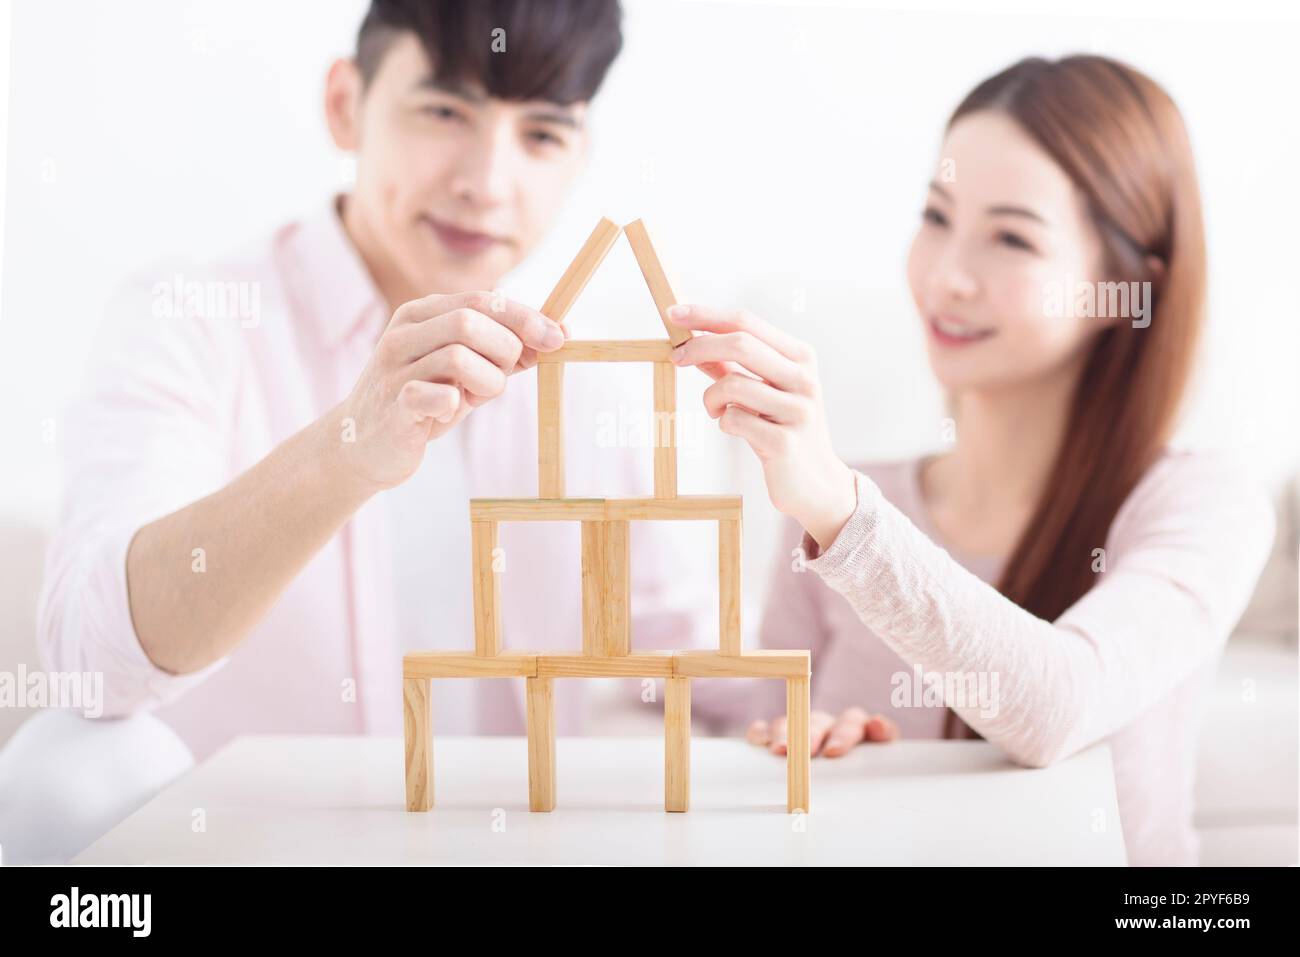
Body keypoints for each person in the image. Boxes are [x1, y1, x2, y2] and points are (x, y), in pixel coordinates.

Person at [12, 0, 716, 862]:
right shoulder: (196, 319)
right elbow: (95, 659)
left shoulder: (590, 374)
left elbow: (687, 668)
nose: (486, 183)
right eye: (445, 112)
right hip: (253, 847)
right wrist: (348, 447)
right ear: (346, 104)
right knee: (64, 760)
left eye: (541, 135)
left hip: (504, 846)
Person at [672, 55, 1276, 866]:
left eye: (1012, 237)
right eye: (937, 214)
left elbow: (1060, 704)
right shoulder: (840, 509)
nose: (947, 275)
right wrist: (803, 744)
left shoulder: (1202, 505)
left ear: (1129, 286)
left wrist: (842, 513)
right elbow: (762, 728)